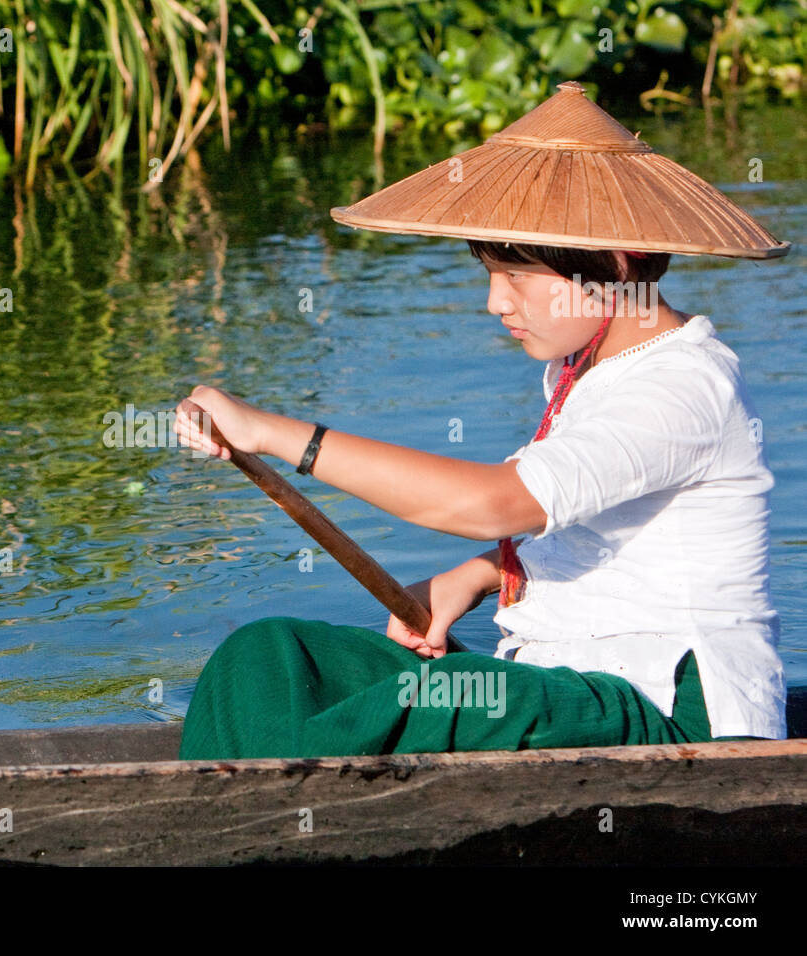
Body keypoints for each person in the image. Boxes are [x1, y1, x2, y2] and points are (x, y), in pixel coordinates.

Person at [172, 82, 789, 760]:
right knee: (269, 658)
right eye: (490, 274)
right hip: (563, 689)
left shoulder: (683, 386)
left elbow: (491, 504)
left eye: (516, 276)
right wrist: (472, 577)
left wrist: (275, 435)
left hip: (673, 715)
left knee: (464, 691)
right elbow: (585, 532)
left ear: (613, 264)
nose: (495, 301)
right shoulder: (582, 369)